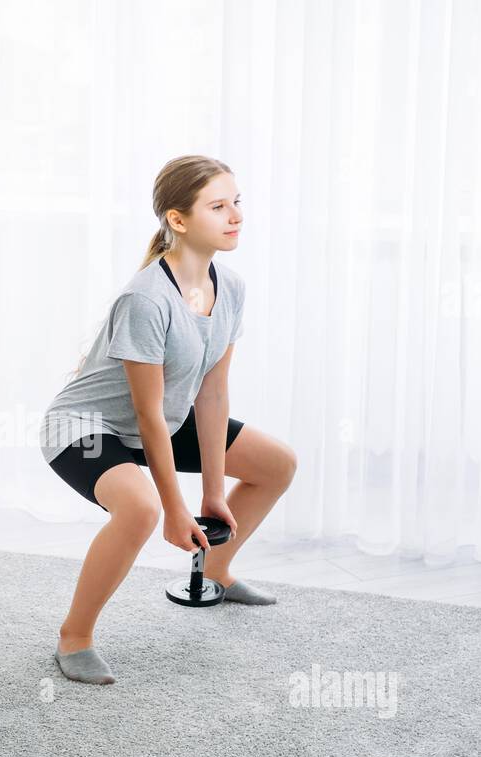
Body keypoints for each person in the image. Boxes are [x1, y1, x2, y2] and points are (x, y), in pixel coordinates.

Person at [38, 155, 298, 685]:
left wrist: (213, 493)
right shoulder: (145, 298)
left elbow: (212, 392)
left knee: (276, 464)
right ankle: (75, 637)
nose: (236, 216)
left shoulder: (232, 289)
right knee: (140, 510)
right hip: (90, 427)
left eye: (237, 203)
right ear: (178, 220)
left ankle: (217, 574)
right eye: (218, 206)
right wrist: (177, 511)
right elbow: (146, 413)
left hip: (168, 414)